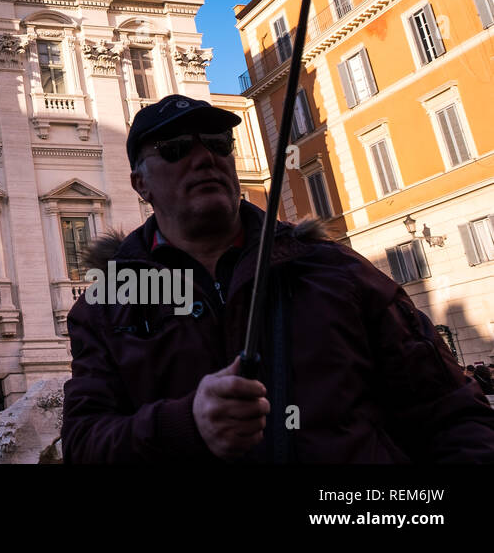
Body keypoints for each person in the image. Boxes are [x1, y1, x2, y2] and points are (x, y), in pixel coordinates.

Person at [62, 94, 494, 462]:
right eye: (175, 149)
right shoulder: (107, 306)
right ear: (141, 184)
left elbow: (449, 409)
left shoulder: (335, 269)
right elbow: (83, 444)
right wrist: (185, 424)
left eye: (218, 144)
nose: (205, 158)